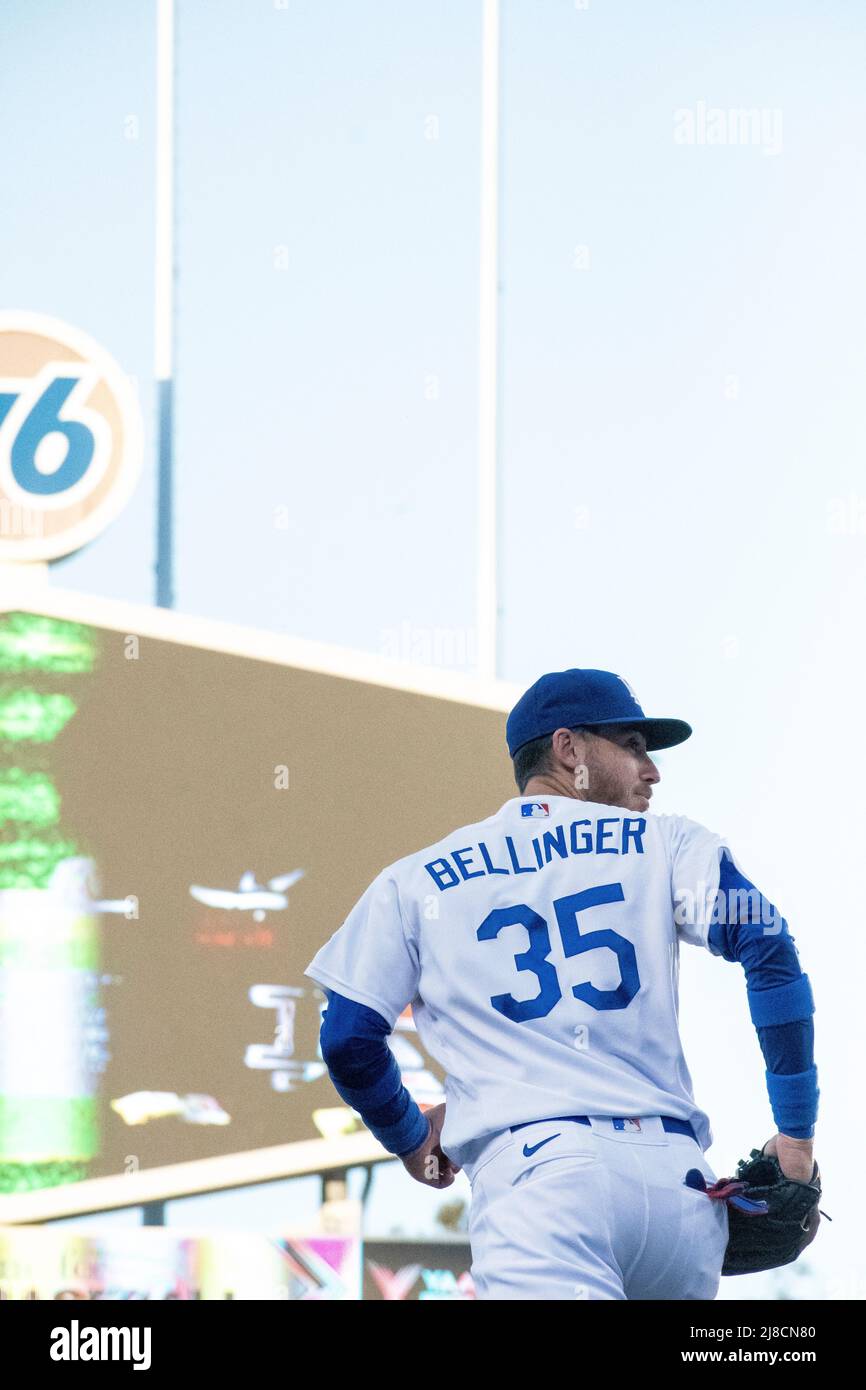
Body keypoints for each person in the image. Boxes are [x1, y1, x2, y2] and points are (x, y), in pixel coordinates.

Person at [304, 668, 819, 1300]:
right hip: (680, 1192)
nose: (651, 769)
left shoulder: (418, 881)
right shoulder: (664, 843)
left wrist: (410, 1138)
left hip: (543, 1186)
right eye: (631, 745)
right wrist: (795, 1137)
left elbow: (348, 1038)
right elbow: (769, 949)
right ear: (568, 749)